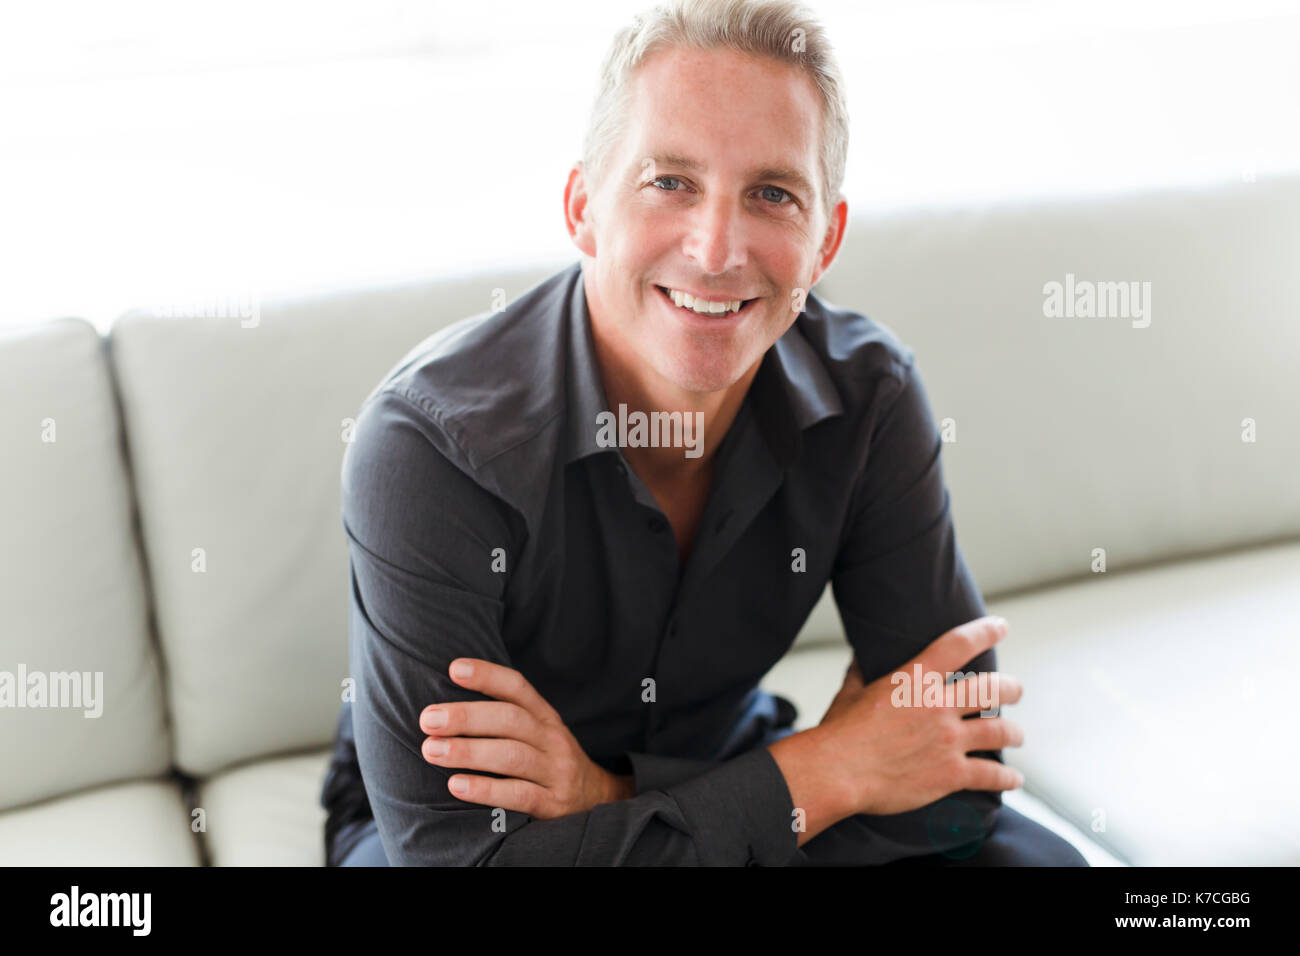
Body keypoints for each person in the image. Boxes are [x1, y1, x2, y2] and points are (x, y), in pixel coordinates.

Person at [319, 0, 1087, 867]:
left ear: (825, 238)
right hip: (446, 835)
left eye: (771, 193)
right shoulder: (433, 448)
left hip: (719, 766)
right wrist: (820, 776)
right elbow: (460, 860)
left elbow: (958, 765)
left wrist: (618, 799)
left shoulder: (868, 397)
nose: (717, 249)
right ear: (583, 207)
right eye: (669, 181)